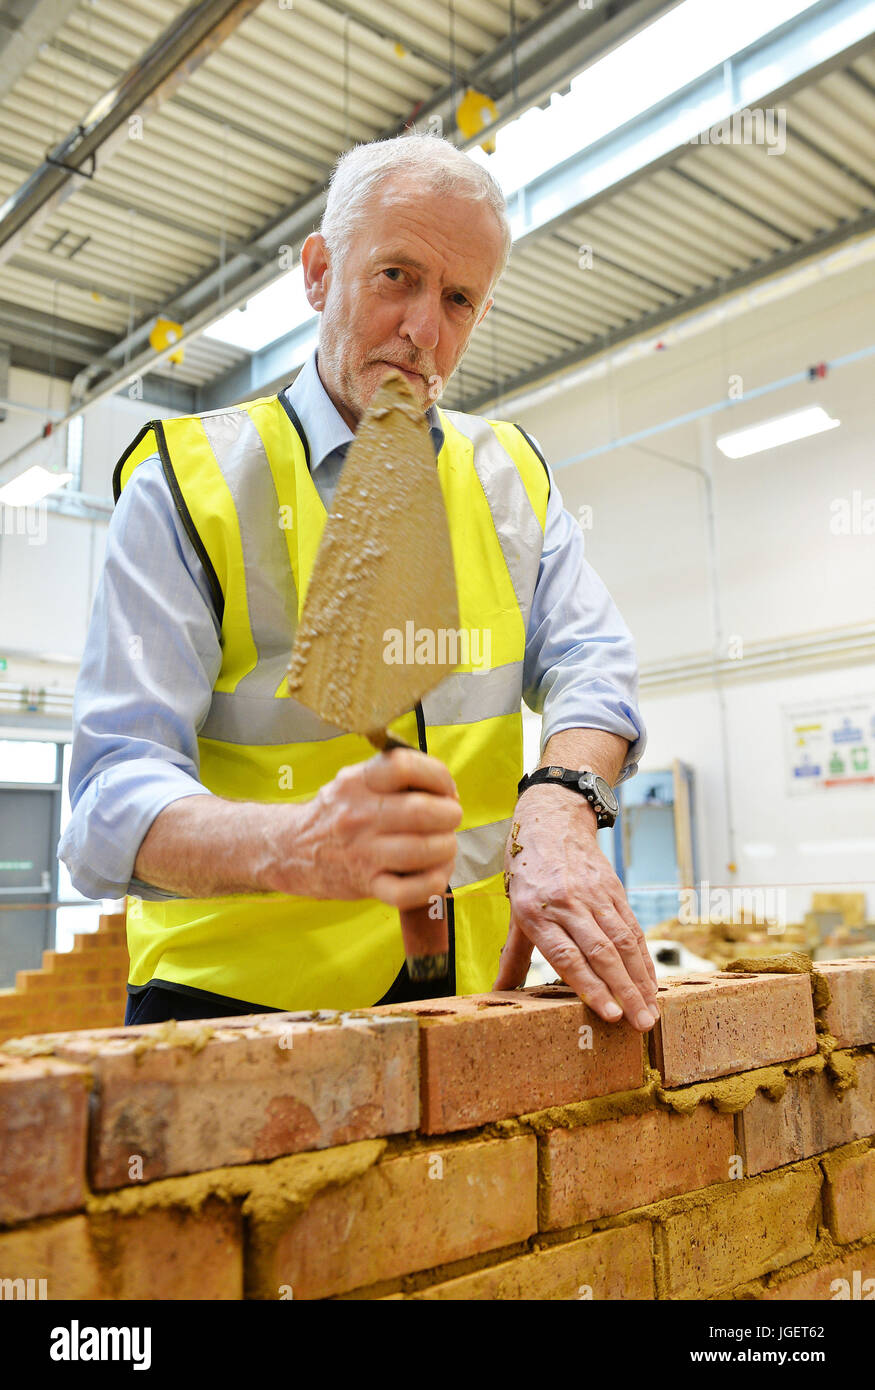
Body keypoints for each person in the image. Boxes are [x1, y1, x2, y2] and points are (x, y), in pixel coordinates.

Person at [59, 133, 659, 1033]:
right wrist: (293, 845)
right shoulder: (190, 481)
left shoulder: (511, 475)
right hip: (234, 1015)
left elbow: (593, 662)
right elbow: (109, 799)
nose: (425, 330)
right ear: (316, 272)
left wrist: (565, 802)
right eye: (396, 277)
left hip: (471, 1005)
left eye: (459, 299)